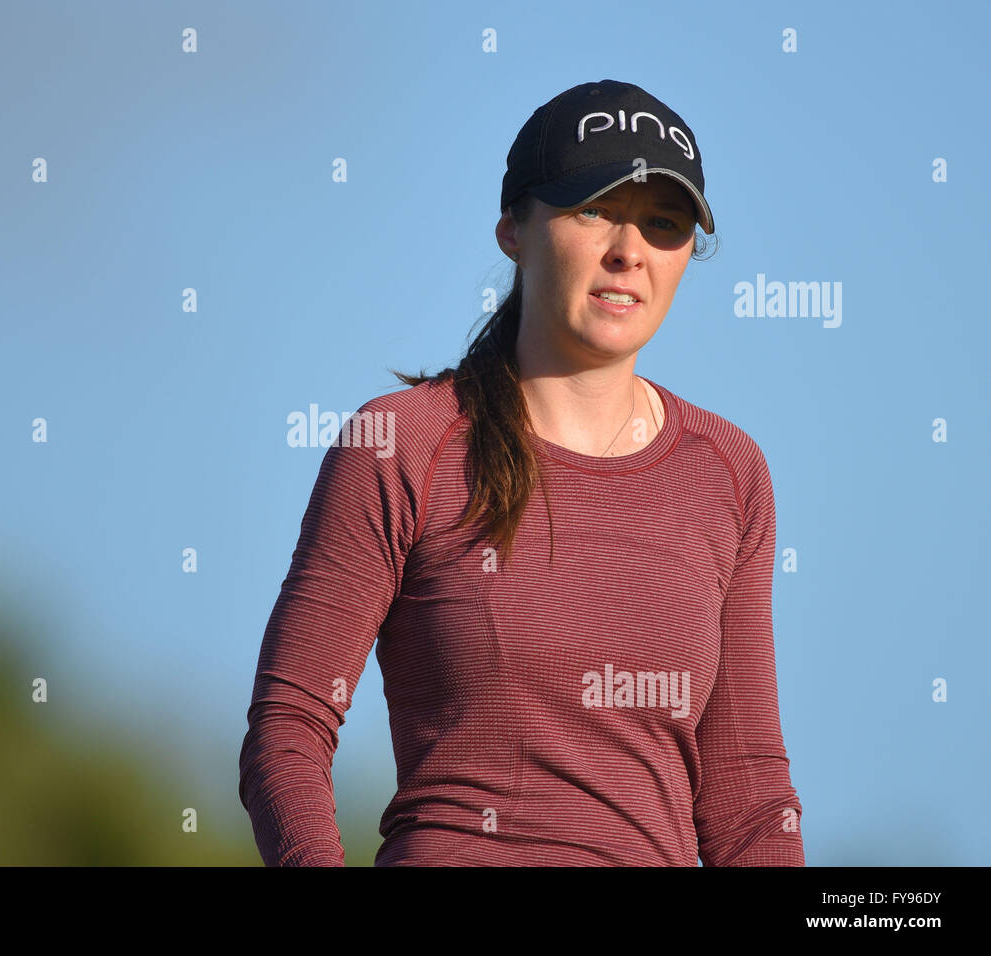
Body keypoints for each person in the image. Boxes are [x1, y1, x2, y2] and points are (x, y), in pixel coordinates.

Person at [237, 79, 805, 866]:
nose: (627, 252)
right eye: (594, 210)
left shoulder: (729, 472)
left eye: (662, 225)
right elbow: (288, 730)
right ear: (514, 228)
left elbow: (748, 795)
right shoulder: (401, 442)